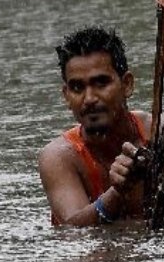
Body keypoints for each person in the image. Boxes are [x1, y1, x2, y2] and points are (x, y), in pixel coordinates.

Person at [39, 26, 151, 226]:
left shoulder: (156, 132)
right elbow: (72, 229)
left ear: (127, 85)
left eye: (101, 83)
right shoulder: (60, 157)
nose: (89, 99)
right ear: (66, 96)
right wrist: (117, 192)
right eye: (77, 88)